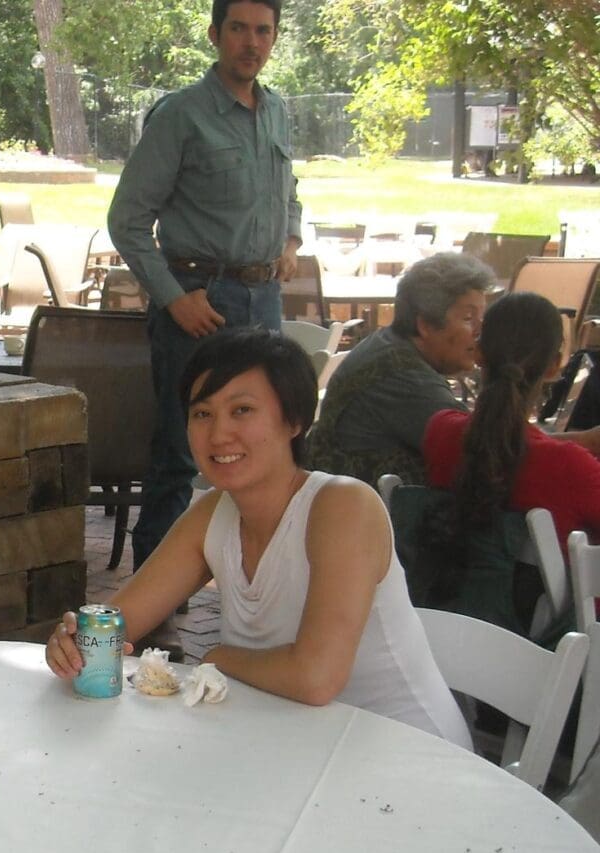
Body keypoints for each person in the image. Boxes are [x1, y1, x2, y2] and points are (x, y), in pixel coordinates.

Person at [46, 327, 471, 748]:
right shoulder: (214, 513)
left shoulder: (342, 507)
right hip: (296, 745)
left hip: (408, 754)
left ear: (294, 421)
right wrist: (75, 642)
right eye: (202, 414)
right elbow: (117, 625)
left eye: (242, 410)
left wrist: (216, 658)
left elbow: (315, 678)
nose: (219, 434)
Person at [107, 0, 301, 569]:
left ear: (274, 38)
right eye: (239, 29)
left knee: (269, 445)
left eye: (263, 31)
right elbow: (127, 220)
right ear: (216, 35)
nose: (251, 42)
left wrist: (290, 241)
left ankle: (261, 581)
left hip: (262, 299)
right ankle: (152, 594)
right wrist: (173, 299)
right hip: (200, 302)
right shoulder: (181, 115)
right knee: (182, 451)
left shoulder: (278, 111)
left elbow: (289, 190)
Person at [424, 291, 600, 560]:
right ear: (554, 366)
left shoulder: (441, 431)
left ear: (479, 353)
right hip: (551, 602)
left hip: (441, 598)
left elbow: (502, 442)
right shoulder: (573, 468)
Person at [305, 253, 495, 487]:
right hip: (364, 516)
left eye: (481, 317)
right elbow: (487, 453)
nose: (480, 331)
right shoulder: (404, 376)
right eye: (468, 318)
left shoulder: (390, 344)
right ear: (425, 324)